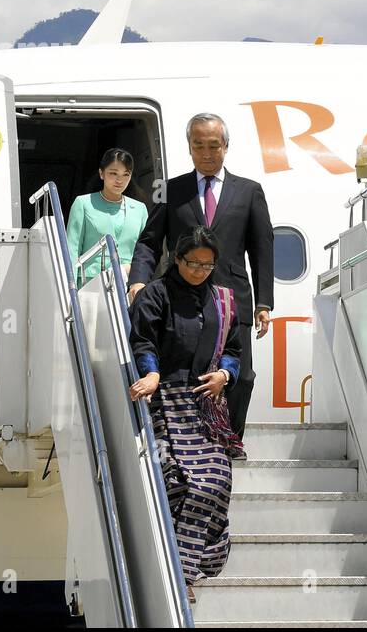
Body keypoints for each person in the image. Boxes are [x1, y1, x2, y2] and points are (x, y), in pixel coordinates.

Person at [128, 113, 273, 460]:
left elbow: (263, 247)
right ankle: (183, 443)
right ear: (189, 148)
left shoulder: (249, 191)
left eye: (213, 146)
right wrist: (138, 280)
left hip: (231, 299)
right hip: (180, 299)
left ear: (226, 146)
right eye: (198, 146)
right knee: (182, 372)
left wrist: (263, 302)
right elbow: (150, 242)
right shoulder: (171, 189)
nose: (206, 153)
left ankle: (228, 441)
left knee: (242, 376)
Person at [128, 227, 241, 603]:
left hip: (205, 404)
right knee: (178, 481)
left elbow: (235, 350)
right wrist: (152, 372)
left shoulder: (223, 299)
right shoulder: (155, 295)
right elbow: (143, 339)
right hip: (165, 400)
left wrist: (225, 374)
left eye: (207, 265)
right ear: (177, 259)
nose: (200, 271)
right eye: (193, 263)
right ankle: (182, 575)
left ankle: (186, 565)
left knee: (216, 483)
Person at [65, 148, 149, 283]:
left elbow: (145, 252)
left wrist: (139, 280)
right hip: (90, 282)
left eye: (125, 174)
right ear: (101, 173)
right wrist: (70, 290)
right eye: (113, 173)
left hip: (128, 283)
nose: (119, 180)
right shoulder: (83, 203)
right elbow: (72, 250)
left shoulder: (140, 209)